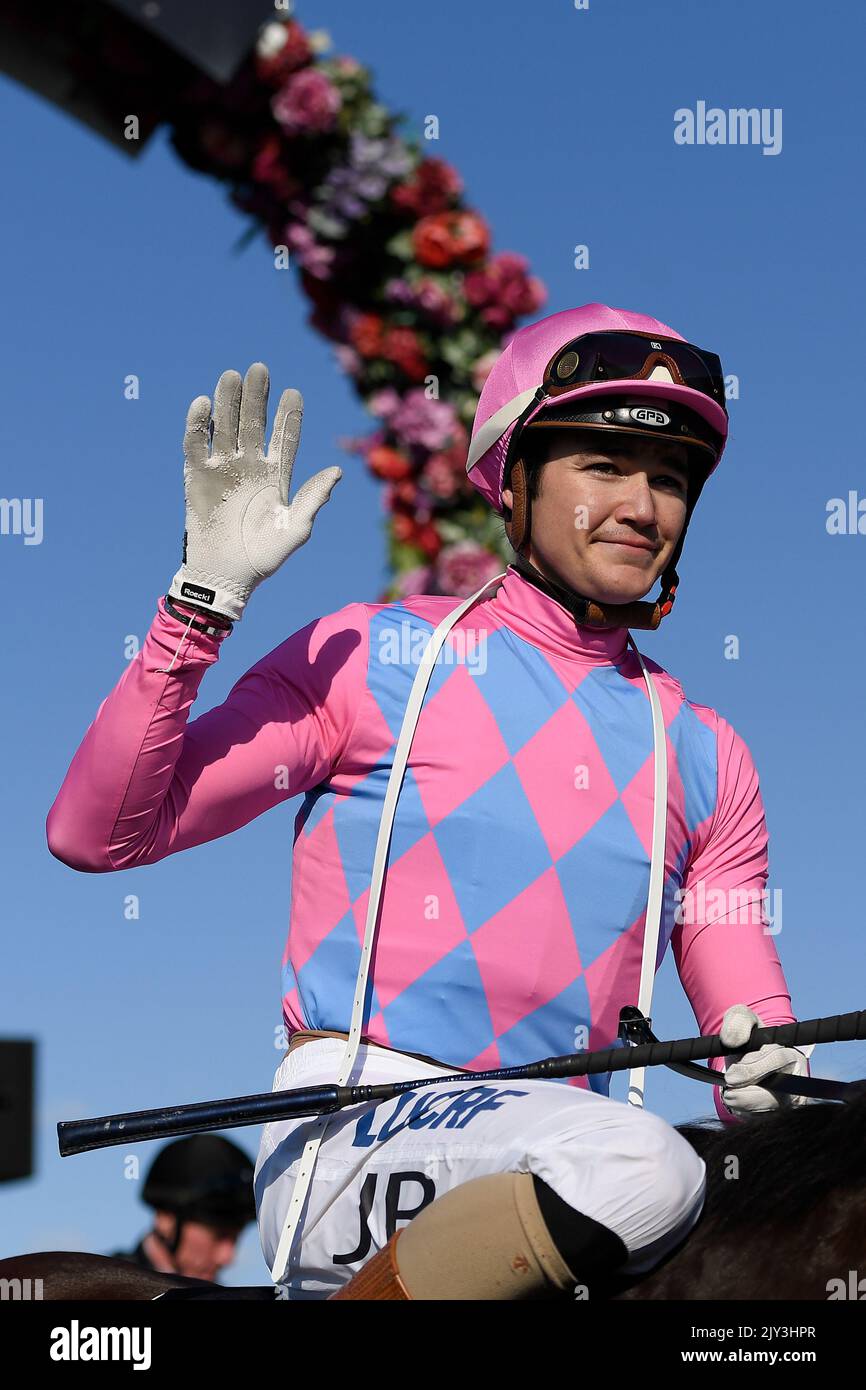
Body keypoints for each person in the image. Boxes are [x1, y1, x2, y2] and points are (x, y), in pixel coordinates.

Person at [47, 302, 811, 1301]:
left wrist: (773, 1092)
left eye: (668, 478)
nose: (642, 504)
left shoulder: (707, 755)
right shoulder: (371, 659)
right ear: (514, 480)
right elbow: (99, 833)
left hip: (554, 1172)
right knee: (650, 1167)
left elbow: (752, 1022)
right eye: (602, 466)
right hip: (350, 1132)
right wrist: (200, 601)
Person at [109, 1134, 256, 1282]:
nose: (227, 1258)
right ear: (166, 1218)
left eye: (236, 1238)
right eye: (219, 1236)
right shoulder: (99, 1289)